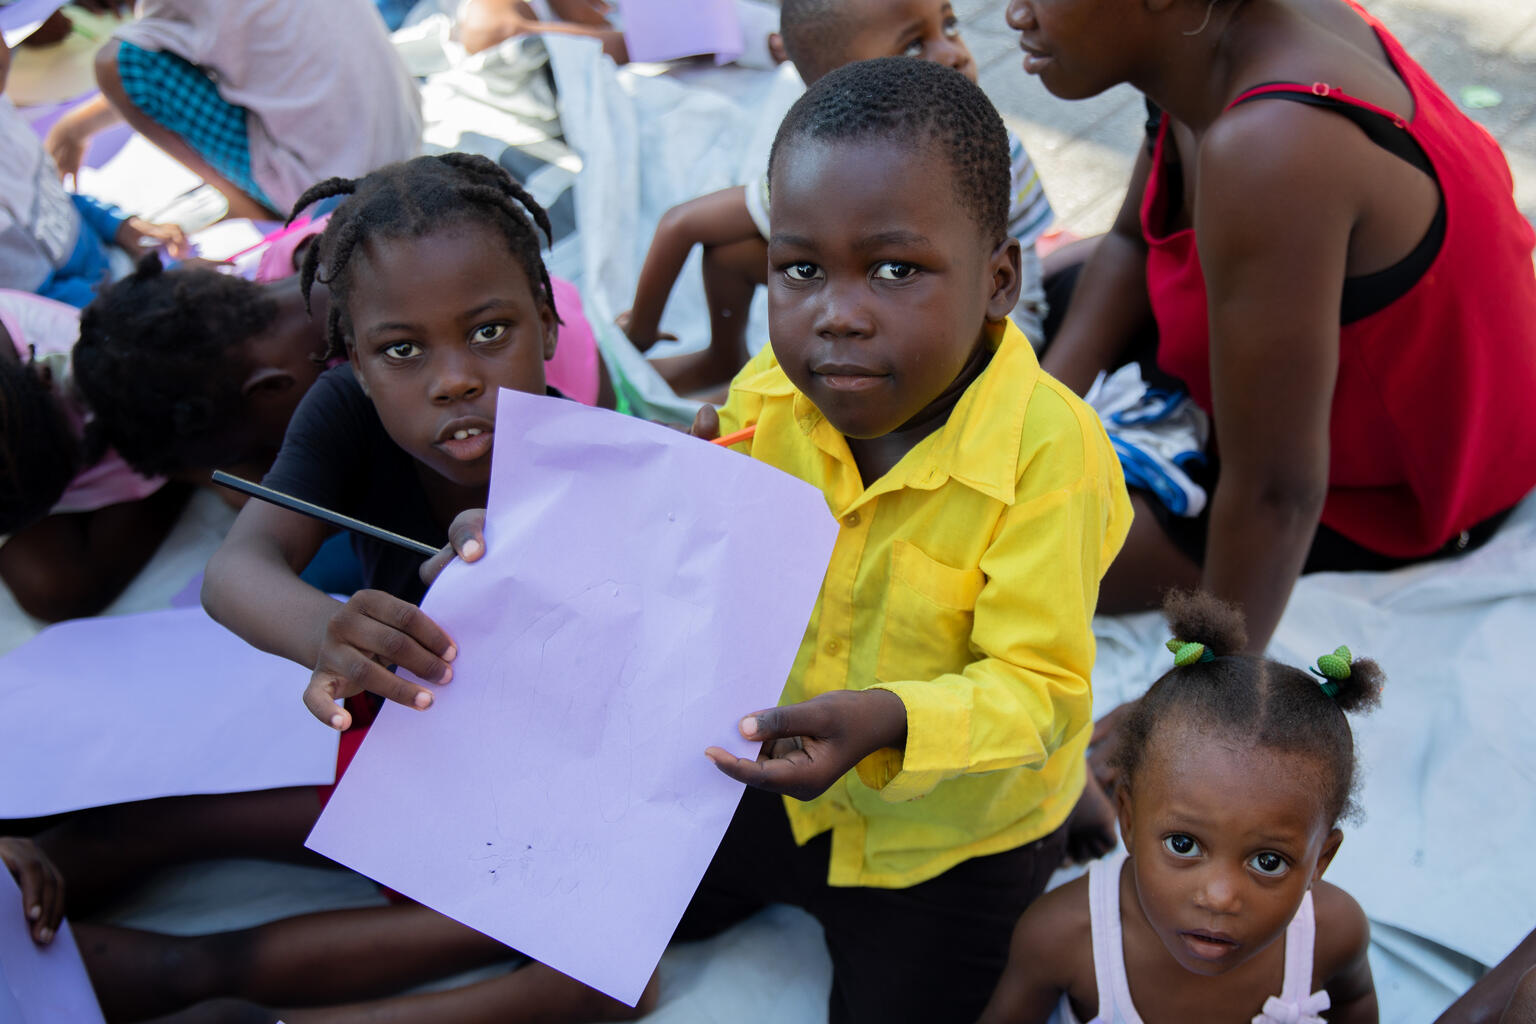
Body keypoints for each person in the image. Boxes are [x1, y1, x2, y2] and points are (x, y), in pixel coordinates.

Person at [430, 58, 1130, 1023]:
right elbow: (685, 510)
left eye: (895, 269)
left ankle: (1067, 808)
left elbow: (1041, 691)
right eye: (800, 269)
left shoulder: (1054, 462)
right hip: (776, 774)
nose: (836, 312)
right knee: (585, 899)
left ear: (1000, 279)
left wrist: (890, 719)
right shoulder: (774, 391)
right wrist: (537, 537)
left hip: (947, 839)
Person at [11, 153, 645, 1024]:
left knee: (525, 878)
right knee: (153, 831)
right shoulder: (345, 412)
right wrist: (327, 629)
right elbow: (237, 571)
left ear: (544, 316)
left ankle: (537, 988)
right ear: (350, 358)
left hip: (566, 755)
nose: (454, 375)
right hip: (425, 741)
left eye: (489, 333)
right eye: (402, 349)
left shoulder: (599, 446)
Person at [1006, 0, 1536, 656]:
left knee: (1012, 561)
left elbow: (1276, 492)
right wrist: (1027, 428)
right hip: (1282, 376)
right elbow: (1131, 244)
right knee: (1030, 300)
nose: (1012, 13)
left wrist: (1206, 693)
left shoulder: (1273, 146)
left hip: (1386, 485)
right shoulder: (1206, 40)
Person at [979, 590, 1379, 1024]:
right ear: (1128, 820)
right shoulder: (1064, 939)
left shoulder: (1333, 933)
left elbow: (1355, 1002)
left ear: (1321, 859)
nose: (1219, 897)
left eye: (1268, 861)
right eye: (1184, 844)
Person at [617, 0, 1054, 396]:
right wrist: (637, 335)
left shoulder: (985, 150)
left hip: (988, 334)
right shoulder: (823, 168)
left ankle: (763, 399)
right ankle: (723, 361)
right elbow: (684, 223)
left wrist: (637, 333)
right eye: (913, 47)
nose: (953, 52)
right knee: (730, 251)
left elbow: (681, 222)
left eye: (949, 25)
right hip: (918, 313)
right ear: (833, 88)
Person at [45, 0, 423, 220]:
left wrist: (71, 130)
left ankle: (257, 214)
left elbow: (135, 69)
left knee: (115, 63)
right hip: (403, 135)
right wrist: (74, 129)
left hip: (329, 184)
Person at [0, 287, 188, 620]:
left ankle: (177, 466)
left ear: (45, 378)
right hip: (39, 464)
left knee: (244, 470)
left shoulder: (77, 348)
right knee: (50, 587)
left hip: (137, 418)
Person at [0, 31, 189, 307]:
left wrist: (118, 226)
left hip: (122, 280)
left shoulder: (4, 108)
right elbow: (45, 303)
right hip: (107, 314)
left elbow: (53, 201)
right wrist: (161, 289)